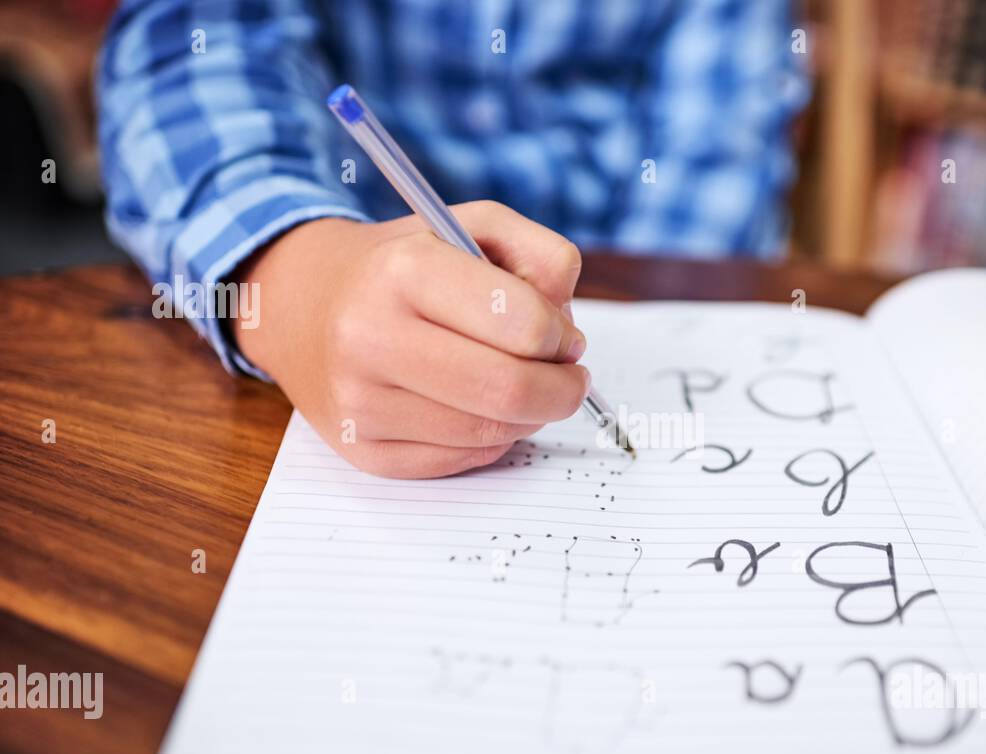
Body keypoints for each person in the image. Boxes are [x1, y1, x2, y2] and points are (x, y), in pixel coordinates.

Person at [96, 0, 808, 477]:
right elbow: (189, 51)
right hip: (341, 285)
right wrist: (293, 278)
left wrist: (612, 314)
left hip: (629, 305)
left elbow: (716, 156)